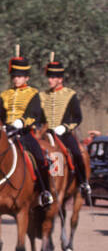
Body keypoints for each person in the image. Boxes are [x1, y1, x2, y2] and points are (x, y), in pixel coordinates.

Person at [0, 53, 54, 208]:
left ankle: (45, 192)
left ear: (27, 78)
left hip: (23, 133)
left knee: (40, 158)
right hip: (6, 133)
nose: (17, 78)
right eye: (14, 75)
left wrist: (20, 123)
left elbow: (34, 114)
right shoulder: (5, 95)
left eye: (20, 76)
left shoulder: (33, 93)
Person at [42, 58, 92, 201]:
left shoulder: (70, 94)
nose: (50, 80)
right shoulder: (42, 95)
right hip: (45, 134)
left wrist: (64, 127)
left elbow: (77, 117)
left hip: (63, 133)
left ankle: (83, 183)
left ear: (60, 79)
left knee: (77, 153)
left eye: (53, 77)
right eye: (49, 77)